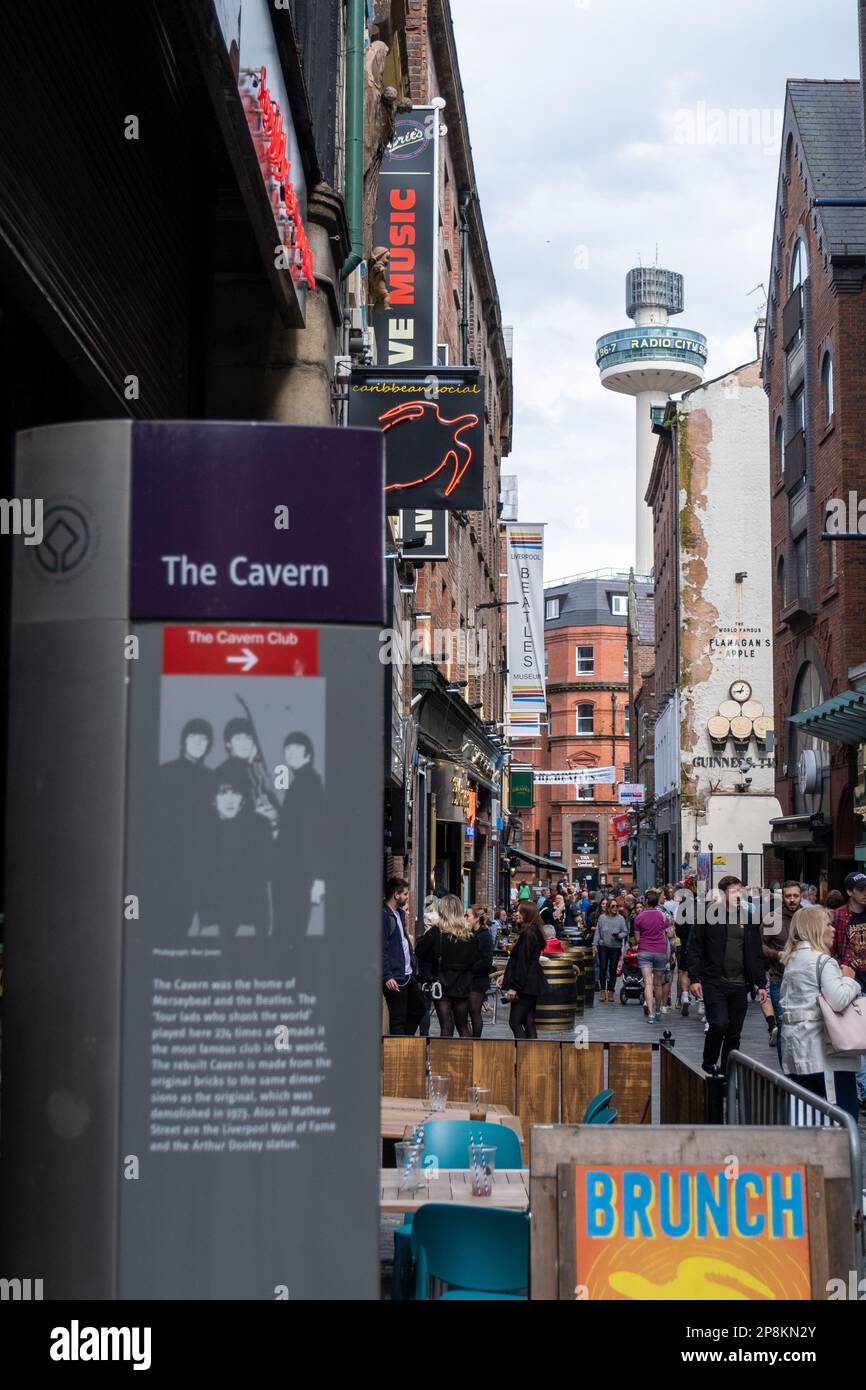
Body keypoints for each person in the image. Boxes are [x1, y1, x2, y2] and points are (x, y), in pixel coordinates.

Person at [779, 905, 863, 1122]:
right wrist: (849, 979)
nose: (833, 929)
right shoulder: (823, 961)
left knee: (804, 1113)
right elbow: (838, 1000)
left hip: (796, 1047)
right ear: (815, 928)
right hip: (824, 1051)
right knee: (839, 1114)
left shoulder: (792, 960)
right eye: (828, 924)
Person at [686, 875, 767, 1075]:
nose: (739, 895)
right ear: (723, 894)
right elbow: (695, 948)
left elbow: (755, 952)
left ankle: (727, 1073)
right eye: (734, 892)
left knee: (734, 1031)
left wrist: (760, 983)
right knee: (719, 1023)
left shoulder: (749, 918)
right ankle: (709, 1061)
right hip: (714, 980)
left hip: (740, 983)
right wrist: (694, 979)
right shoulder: (708, 915)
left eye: (741, 891)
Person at [157, 717, 216, 934]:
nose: (199, 743)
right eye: (193, 738)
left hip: (199, 867)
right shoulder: (164, 772)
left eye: (204, 739)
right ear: (184, 741)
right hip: (169, 864)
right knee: (167, 925)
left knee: (191, 927)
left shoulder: (211, 777)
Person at [198, 776, 273, 937]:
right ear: (213, 799)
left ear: (243, 799)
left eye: (235, 794)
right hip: (215, 911)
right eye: (223, 794)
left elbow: (268, 869)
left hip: (252, 912)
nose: (230, 800)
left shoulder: (259, 824)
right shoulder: (203, 828)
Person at [273, 731, 325, 934]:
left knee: (290, 928)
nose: (291, 754)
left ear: (308, 755)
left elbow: (315, 832)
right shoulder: (301, 781)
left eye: (296, 749)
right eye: (288, 750)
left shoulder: (308, 782)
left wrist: (317, 877)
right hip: (297, 870)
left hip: (299, 871)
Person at [415, 894, 481, 1038]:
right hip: (463, 984)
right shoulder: (469, 934)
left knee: (446, 1025)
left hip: (442, 984)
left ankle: (445, 1059)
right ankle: (469, 1057)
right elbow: (476, 959)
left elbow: (419, 952)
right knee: (463, 1024)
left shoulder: (436, 932)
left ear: (442, 910)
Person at [832, 870, 866, 1111]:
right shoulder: (839, 917)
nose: (865, 894)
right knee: (858, 1042)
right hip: (853, 988)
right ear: (850, 892)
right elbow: (831, 948)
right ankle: (863, 1093)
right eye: (861, 890)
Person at [762, 880, 801, 1061]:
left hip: (804, 981)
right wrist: (777, 954)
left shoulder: (807, 916)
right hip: (780, 979)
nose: (792, 900)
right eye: (788, 896)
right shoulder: (773, 918)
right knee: (783, 1027)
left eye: (795, 896)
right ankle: (786, 1071)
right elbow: (760, 945)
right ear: (782, 897)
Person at [497, 902, 546, 1039]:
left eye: (520, 911)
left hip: (526, 985)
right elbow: (519, 962)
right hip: (530, 983)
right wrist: (505, 975)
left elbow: (523, 964)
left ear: (528, 914)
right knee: (528, 1020)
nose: (516, 913)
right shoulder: (531, 932)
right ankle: (532, 1056)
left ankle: (525, 1056)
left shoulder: (528, 934)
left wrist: (514, 987)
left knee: (515, 1022)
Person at [382, 877, 424, 1036]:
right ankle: (398, 1052)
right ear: (396, 895)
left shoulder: (398, 913)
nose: (407, 897)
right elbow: (381, 948)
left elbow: (403, 942)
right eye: (405, 894)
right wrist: (387, 976)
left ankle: (404, 1041)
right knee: (397, 1018)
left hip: (407, 974)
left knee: (418, 1009)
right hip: (394, 977)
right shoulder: (384, 915)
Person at [633, 888, 673, 1023]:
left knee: (648, 983)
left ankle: (650, 1014)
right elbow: (670, 934)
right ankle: (658, 1010)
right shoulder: (663, 916)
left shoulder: (639, 917)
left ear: (645, 901)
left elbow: (637, 940)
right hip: (660, 951)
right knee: (658, 984)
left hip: (644, 951)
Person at [467, 903, 495, 1037]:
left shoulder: (484, 936)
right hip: (469, 978)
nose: (465, 918)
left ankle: (475, 1041)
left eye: (468, 915)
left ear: (476, 918)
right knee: (466, 1011)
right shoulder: (471, 933)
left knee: (474, 1011)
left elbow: (486, 961)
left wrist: (470, 969)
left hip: (478, 980)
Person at [593, 900, 628, 1002]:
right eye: (613, 906)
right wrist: (595, 945)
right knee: (603, 968)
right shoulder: (602, 918)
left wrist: (619, 935)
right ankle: (602, 990)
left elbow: (625, 932)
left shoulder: (620, 918)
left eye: (616, 906)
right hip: (603, 946)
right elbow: (597, 932)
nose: (615, 908)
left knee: (613, 969)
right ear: (608, 907)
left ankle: (611, 991)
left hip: (615, 947)